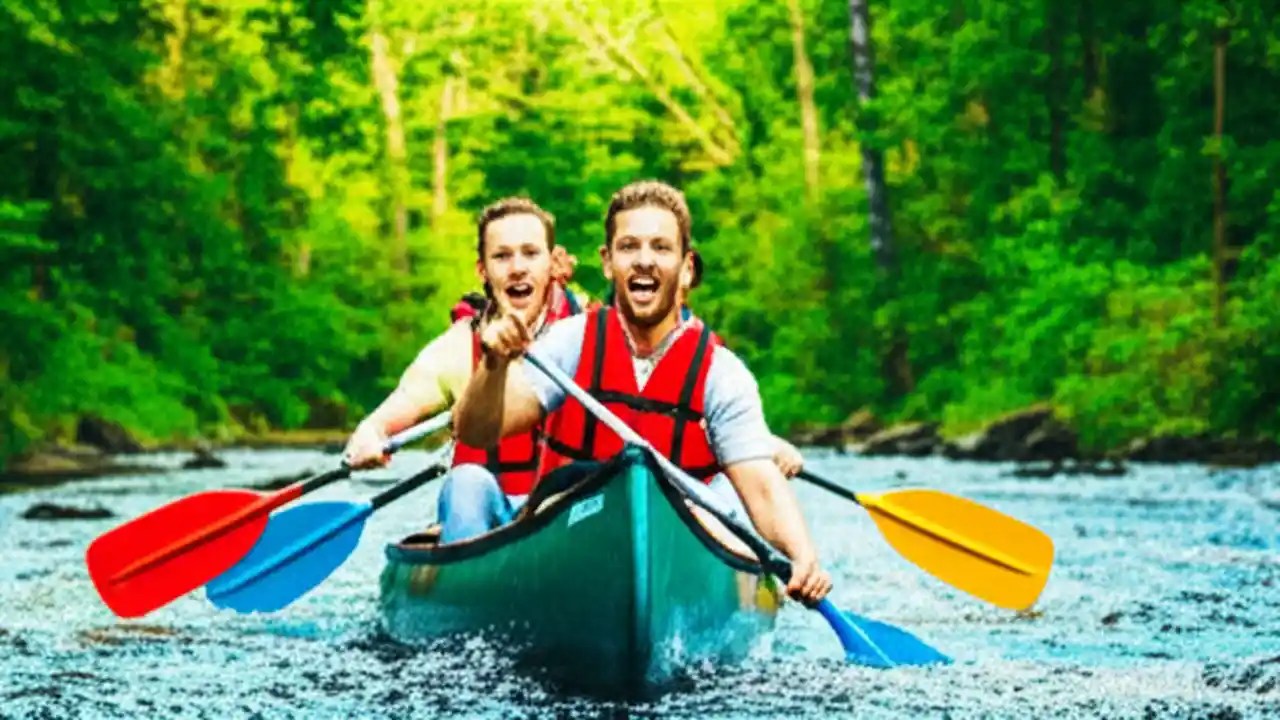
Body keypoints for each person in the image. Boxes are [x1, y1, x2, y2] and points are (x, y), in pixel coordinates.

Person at [454, 180, 831, 605]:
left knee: (726, 493)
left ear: (687, 267)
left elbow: (760, 485)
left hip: (680, 550)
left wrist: (802, 556)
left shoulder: (722, 374)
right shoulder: (569, 342)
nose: (644, 261)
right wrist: (493, 363)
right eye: (629, 246)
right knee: (468, 482)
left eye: (661, 248)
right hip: (572, 536)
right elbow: (477, 431)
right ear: (608, 261)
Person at [343, 197, 580, 542]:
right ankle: (464, 580)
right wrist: (369, 434)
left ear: (552, 264)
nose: (517, 268)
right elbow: (390, 413)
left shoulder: (588, 334)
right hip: (487, 520)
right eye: (502, 256)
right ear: (482, 270)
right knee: (466, 481)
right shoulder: (458, 347)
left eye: (530, 253)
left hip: (569, 517)